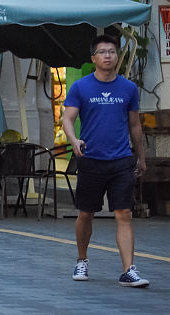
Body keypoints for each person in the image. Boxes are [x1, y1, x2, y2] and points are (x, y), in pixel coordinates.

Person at [62, 35, 149, 287]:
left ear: (117, 57)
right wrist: (73, 140)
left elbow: (135, 124)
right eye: (102, 52)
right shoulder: (81, 87)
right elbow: (67, 118)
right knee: (86, 213)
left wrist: (140, 157)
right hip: (91, 159)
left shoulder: (128, 88)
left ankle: (128, 270)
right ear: (93, 58)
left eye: (112, 51)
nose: (108, 56)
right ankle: (82, 259)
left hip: (121, 160)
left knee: (124, 213)